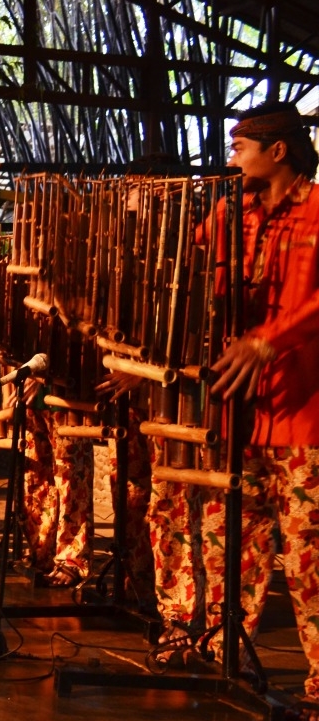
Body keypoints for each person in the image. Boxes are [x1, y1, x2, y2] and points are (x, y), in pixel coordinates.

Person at [197, 101, 319, 719]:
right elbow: (192, 272)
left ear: (278, 150)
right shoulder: (229, 212)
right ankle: (229, 652)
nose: (232, 157)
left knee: (307, 552)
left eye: (240, 146)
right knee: (229, 536)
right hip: (237, 410)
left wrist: (272, 339)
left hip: (303, 409)